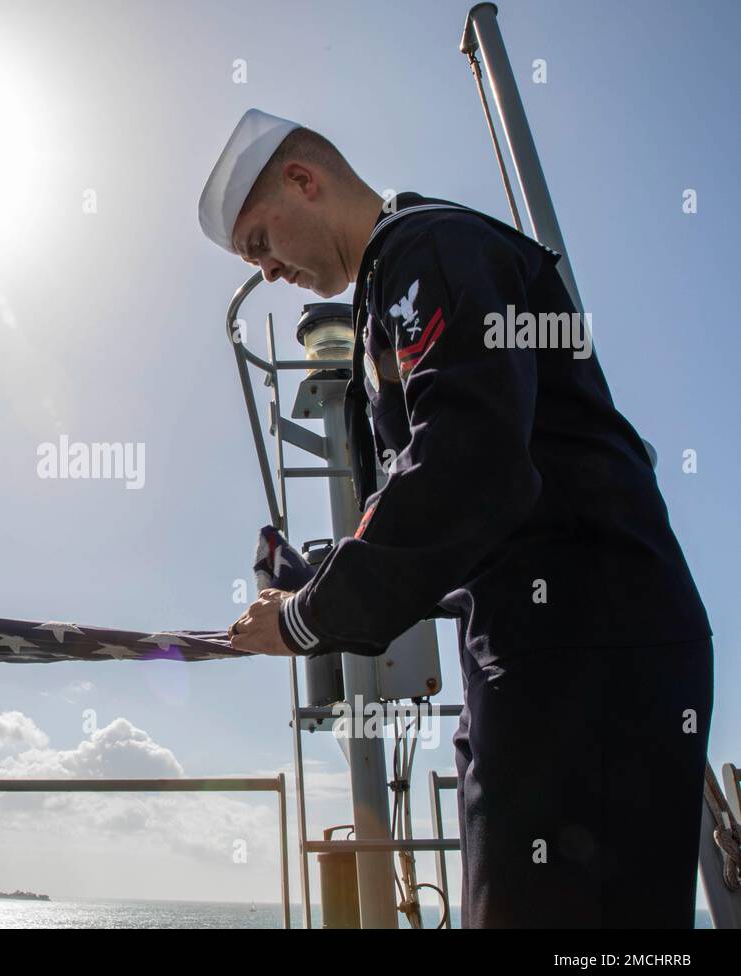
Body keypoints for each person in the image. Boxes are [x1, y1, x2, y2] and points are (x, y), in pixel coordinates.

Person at [208, 108, 713, 928]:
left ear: (305, 181)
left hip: (587, 648)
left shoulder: (429, 250)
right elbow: (437, 488)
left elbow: (470, 465)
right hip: (526, 649)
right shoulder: (390, 292)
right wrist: (316, 581)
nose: (269, 272)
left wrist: (304, 620)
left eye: (263, 240)